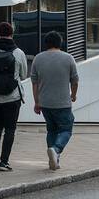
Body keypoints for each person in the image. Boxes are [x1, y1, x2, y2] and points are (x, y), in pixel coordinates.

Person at [30, 31, 78, 171]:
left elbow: (34, 83)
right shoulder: (68, 58)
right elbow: (75, 81)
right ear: (60, 43)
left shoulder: (38, 59)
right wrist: (73, 95)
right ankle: (56, 150)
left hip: (45, 103)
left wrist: (37, 102)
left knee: (51, 130)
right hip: (62, 103)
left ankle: (54, 159)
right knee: (66, 129)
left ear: (46, 43)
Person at [0, 21, 28, 171]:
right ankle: (4, 162)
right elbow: (23, 74)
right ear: (12, 34)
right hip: (13, 97)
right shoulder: (19, 53)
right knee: (10, 129)